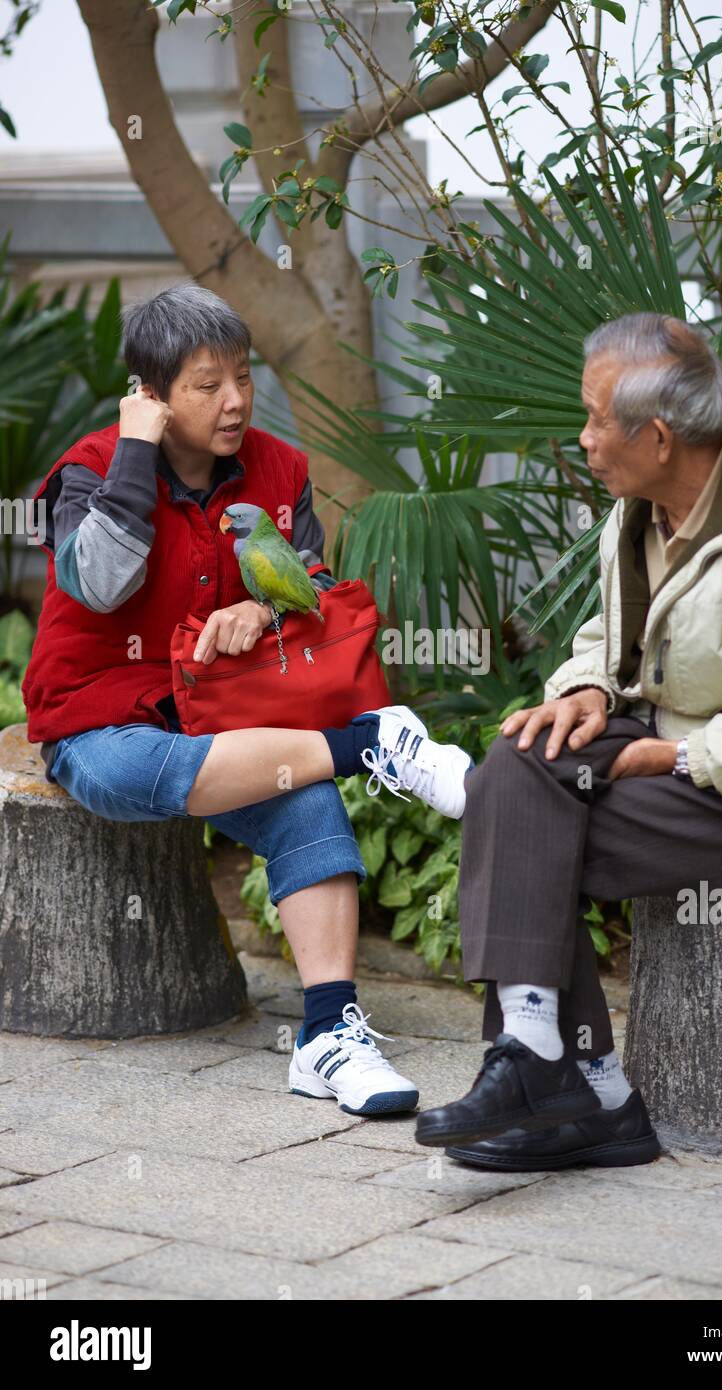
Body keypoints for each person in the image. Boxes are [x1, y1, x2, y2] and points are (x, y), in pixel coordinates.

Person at [415, 311, 722, 1168]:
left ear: (659, 437)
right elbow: (615, 636)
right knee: (517, 766)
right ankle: (538, 1055)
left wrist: (683, 756)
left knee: (535, 836)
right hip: (671, 742)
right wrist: (586, 686)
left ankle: (588, 1097)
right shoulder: (645, 508)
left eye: (595, 419)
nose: (584, 439)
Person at [22, 282, 471, 1119]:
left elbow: (319, 589)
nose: (234, 401)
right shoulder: (85, 474)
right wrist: (133, 453)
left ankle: (329, 1037)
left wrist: (260, 608)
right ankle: (367, 745)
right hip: (100, 710)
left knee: (301, 795)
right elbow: (103, 583)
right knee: (122, 772)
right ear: (151, 396)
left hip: (232, 716)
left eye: (243, 376)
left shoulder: (277, 469)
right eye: (205, 384)